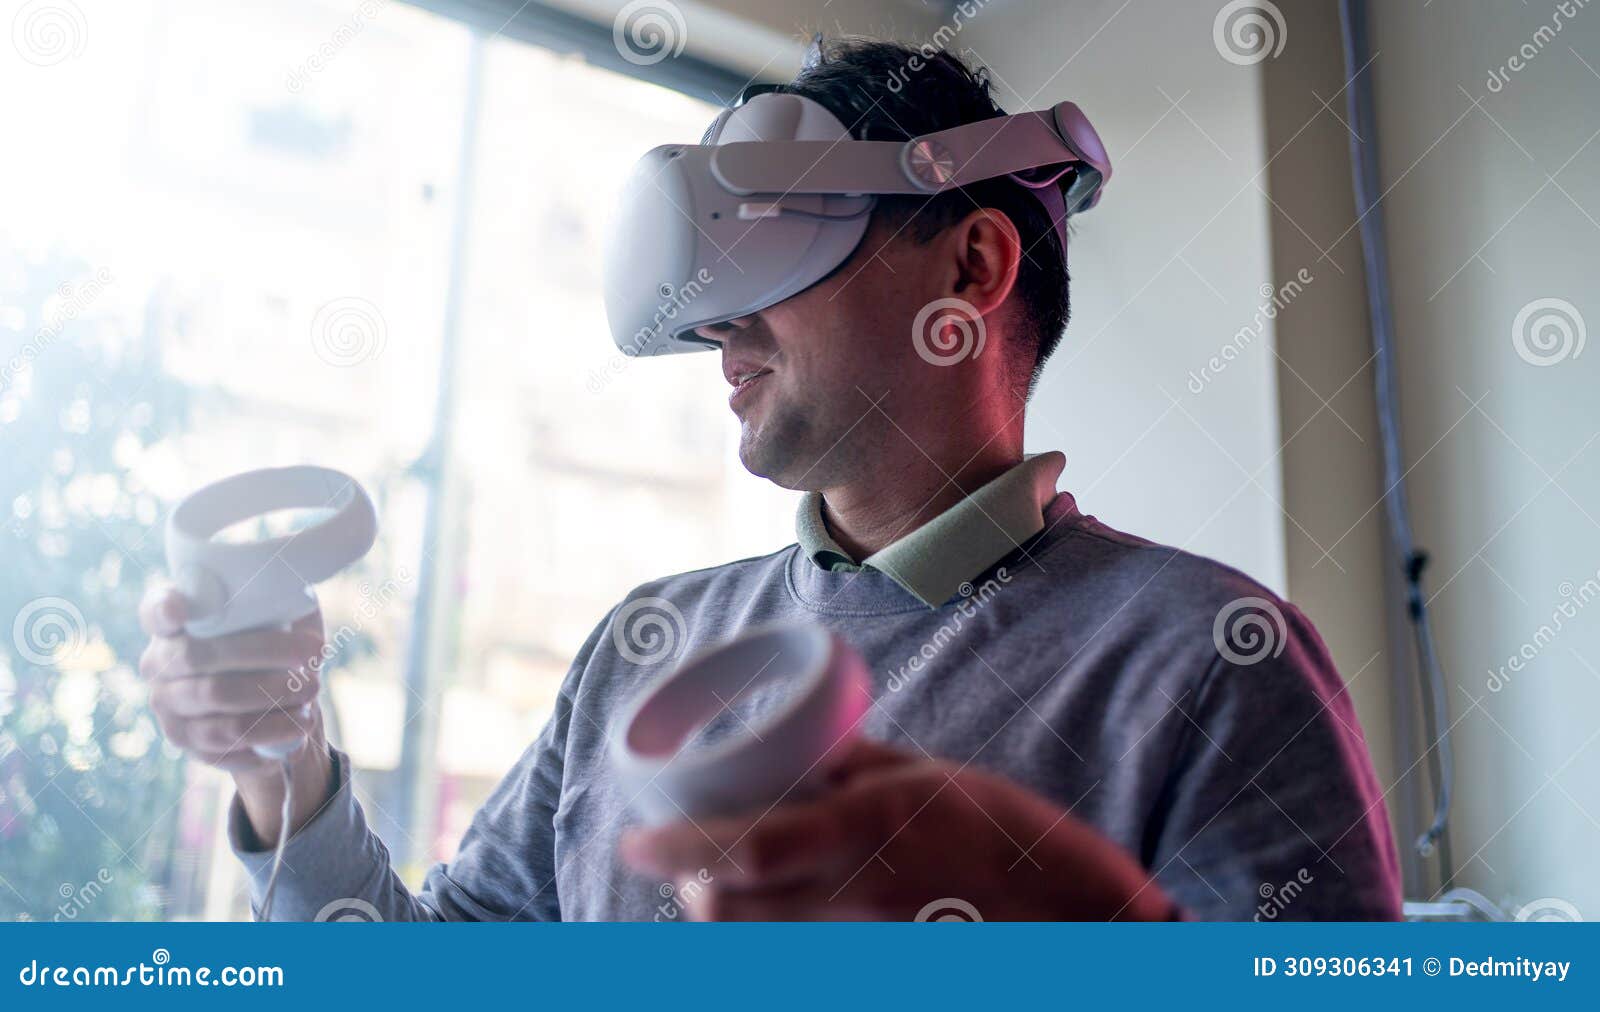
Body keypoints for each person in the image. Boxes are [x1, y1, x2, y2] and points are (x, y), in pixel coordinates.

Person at [138, 37, 1401, 921]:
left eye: (776, 254)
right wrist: (283, 764)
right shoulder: (641, 653)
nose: (714, 330)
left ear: (968, 269)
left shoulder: (1206, 663)